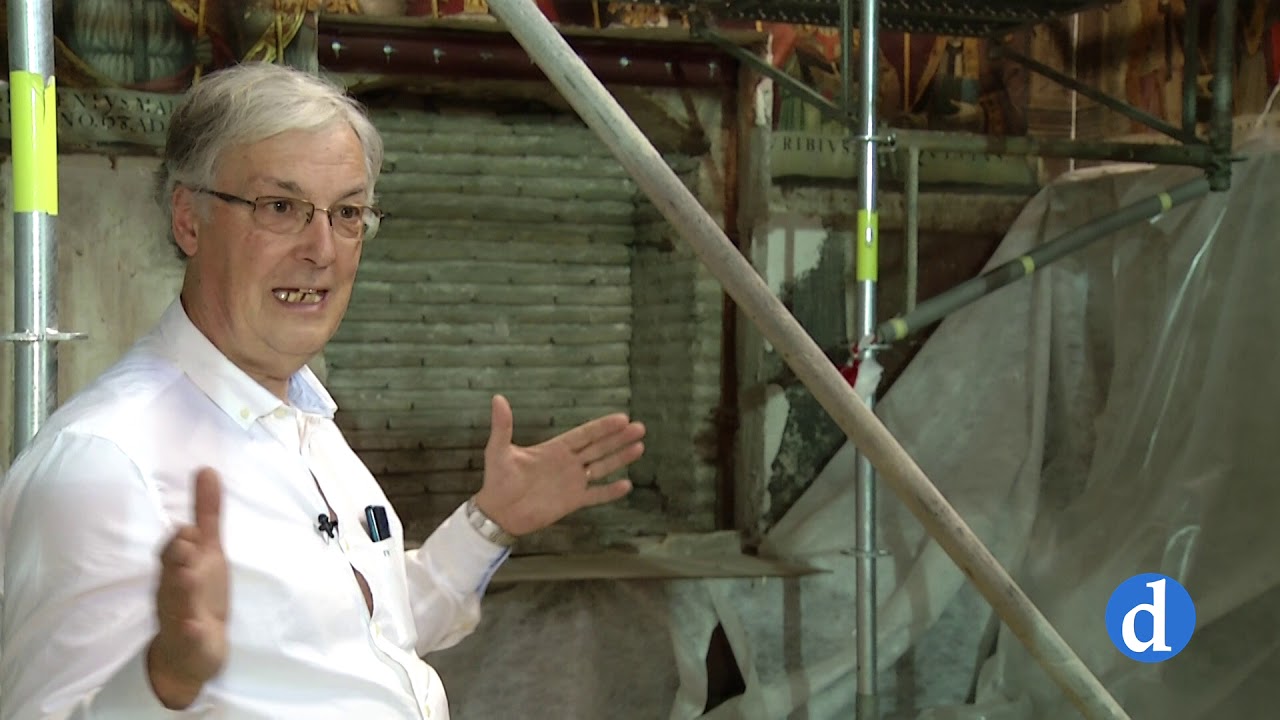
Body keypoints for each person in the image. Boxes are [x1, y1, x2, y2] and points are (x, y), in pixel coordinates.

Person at [0, 61, 646, 719]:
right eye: (280, 208)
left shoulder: (306, 424)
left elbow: (359, 641)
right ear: (189, 219)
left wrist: (488, 523)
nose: (323, 250)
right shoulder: (102, 462)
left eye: (348, 213)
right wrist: (162, 682)